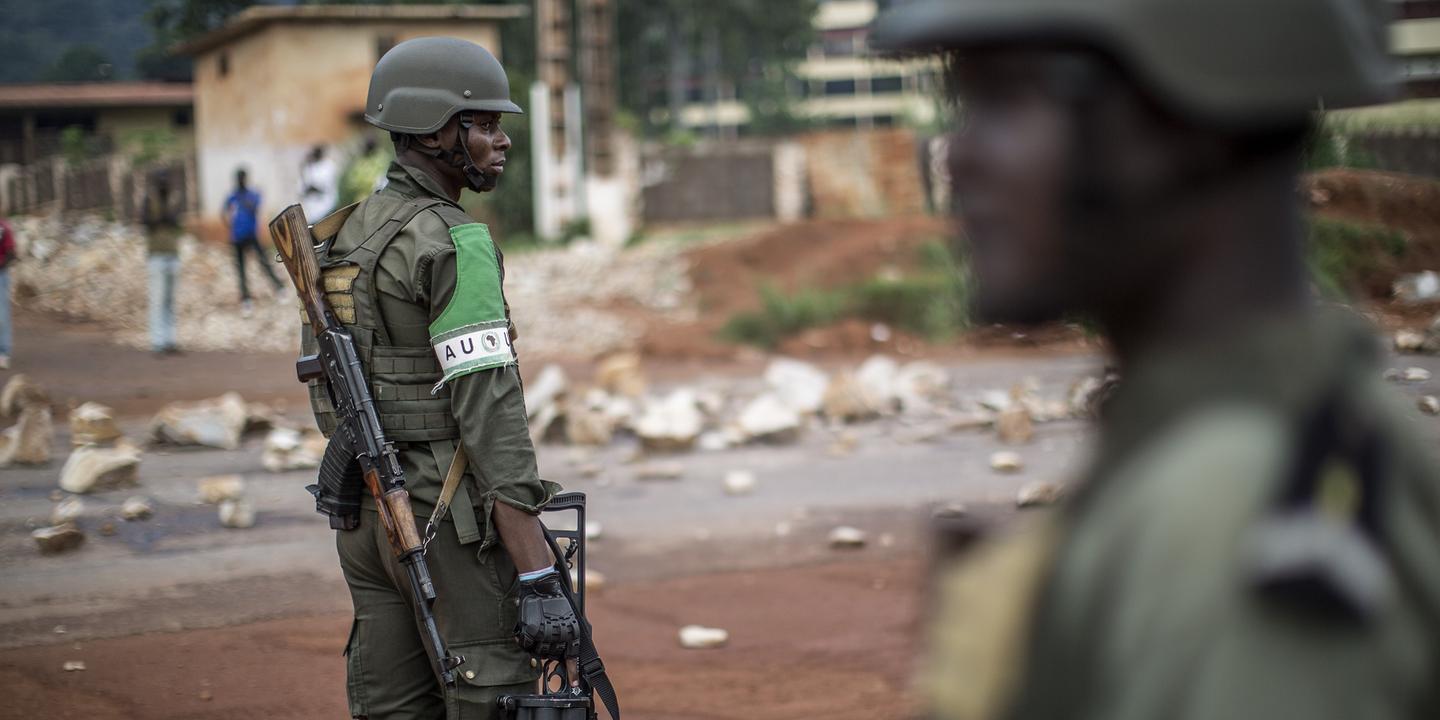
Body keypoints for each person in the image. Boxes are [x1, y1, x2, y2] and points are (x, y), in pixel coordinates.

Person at [873, 1, 1440, 718]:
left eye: (1008, 96)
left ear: (1185, 123)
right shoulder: (1285, 434)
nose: (960, 156)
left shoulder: (1226, 505)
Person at [300, 37, 574, 719]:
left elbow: (325, 380)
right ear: (434, 131)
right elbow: (491, 416)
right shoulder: (454, 242)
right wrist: (537, 571)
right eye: (483, 124)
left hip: (366, 515)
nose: (500, 141)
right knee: (494, 698)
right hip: (442, 524)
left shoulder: (343, 235)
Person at [222, 168, 282, 312]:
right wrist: (231, 227)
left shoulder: (252, 195)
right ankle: (246, 299)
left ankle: (279, 288)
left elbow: (256, 207)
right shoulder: (232, 196)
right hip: (237, 237)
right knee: (241, 269)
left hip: (251, 235)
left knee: (263, 262)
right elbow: (224, 212)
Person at [142, 170, 183, 355]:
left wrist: (167, 218)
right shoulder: (149, 201)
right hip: (156, 256)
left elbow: (177, 223)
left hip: (172, 254)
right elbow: (145, 223)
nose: (164, 185)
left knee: (170, 301)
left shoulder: (174, 201)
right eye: (161, 181)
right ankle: (158, 342)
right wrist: (162, 218)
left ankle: (170, 340)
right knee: (158, 301)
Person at [300, 144, 339, 220]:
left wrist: (315, 187)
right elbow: (302, 189)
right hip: (312, 210)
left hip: (327, 208)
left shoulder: (328, 165)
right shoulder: (308, 167)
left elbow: (328, 185)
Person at [0, 215, 15, 369]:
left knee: (2, 315)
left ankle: (3, 353)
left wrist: (2, 264)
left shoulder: (3, 227)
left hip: (0, 275)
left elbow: (11, 252)